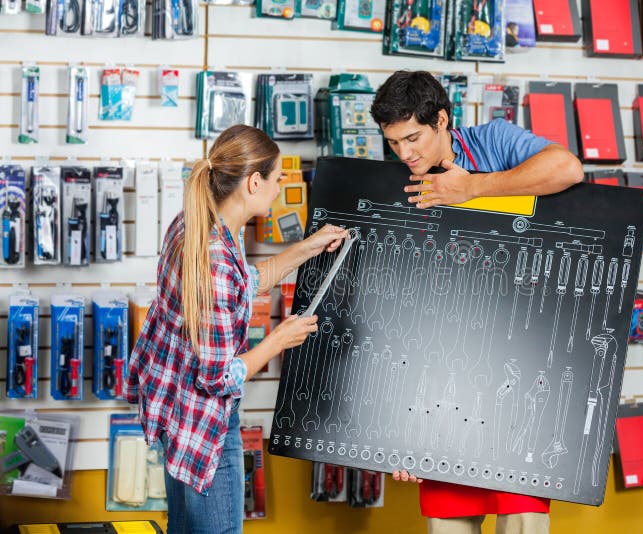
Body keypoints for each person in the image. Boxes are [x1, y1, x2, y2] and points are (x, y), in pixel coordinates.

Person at [370, 71, 583, 534]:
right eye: (393, 143)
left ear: (442, 120)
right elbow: (386, 316)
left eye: (413, 138)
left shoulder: (493, 142)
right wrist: (393, 432)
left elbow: (567, 168)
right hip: (439, 394)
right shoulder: (387, 182)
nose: (405, 154)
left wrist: (474, 188)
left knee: (523, 520)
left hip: (517, 385)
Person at [125, 125, 348, 534]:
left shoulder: (202, 227)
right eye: (278, 178)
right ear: (253, 182)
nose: (282, 186)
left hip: (179, 416)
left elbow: (242, 284)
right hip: (206, 423)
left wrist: (305, 248)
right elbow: (217, 376)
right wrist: (279, 340)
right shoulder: (216, 260)